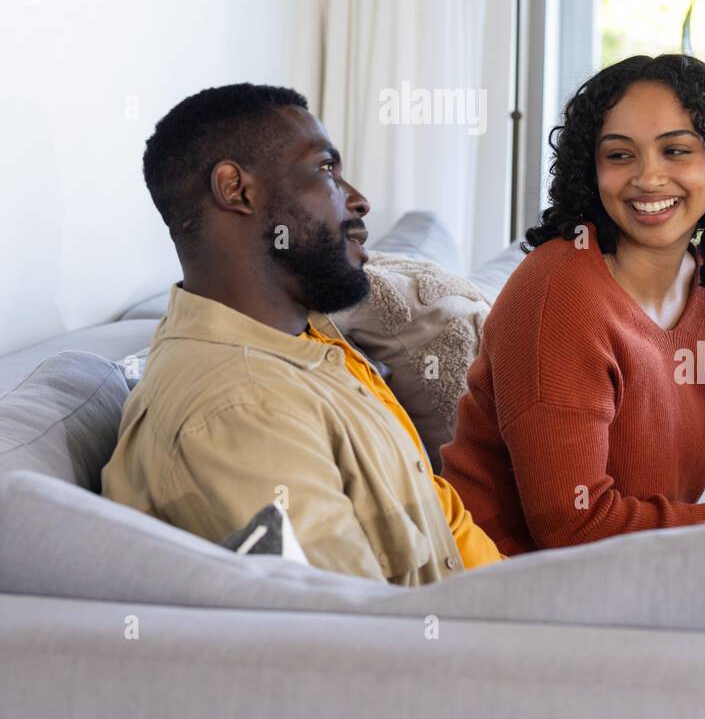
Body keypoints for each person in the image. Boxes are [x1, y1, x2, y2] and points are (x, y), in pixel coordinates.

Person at [440, 54, 705, 553]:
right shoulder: (559, 293)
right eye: (619, 155)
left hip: (634, 579)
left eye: (676, 151)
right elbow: (571, 526)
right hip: (501, 584)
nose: (648, 178)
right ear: (592, 170)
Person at [101, 83, 503, 584]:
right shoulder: (242, 409)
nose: (359, 200)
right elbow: (350, 634)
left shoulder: (305, 344)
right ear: (236, 189)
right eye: (327, 170)